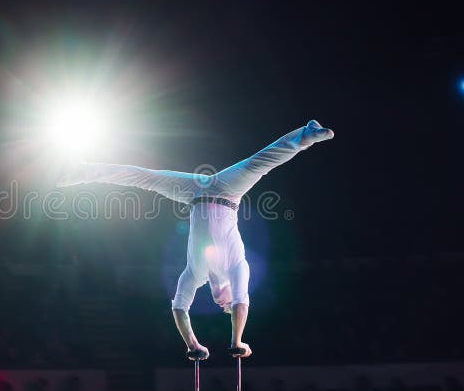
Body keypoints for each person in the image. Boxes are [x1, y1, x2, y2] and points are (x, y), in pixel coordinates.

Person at [57, 120, 334, 360]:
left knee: (145, 177)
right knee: (257, 164)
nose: (222, 304)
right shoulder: (238, 268)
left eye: (222, 307)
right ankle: (306, 136)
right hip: (228, 191)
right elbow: (241, 303)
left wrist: (193, 344)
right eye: (226, 306)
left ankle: (78, 171)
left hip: (194, 195)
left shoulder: (195, 274)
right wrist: (237, 341)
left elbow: (179, 309)